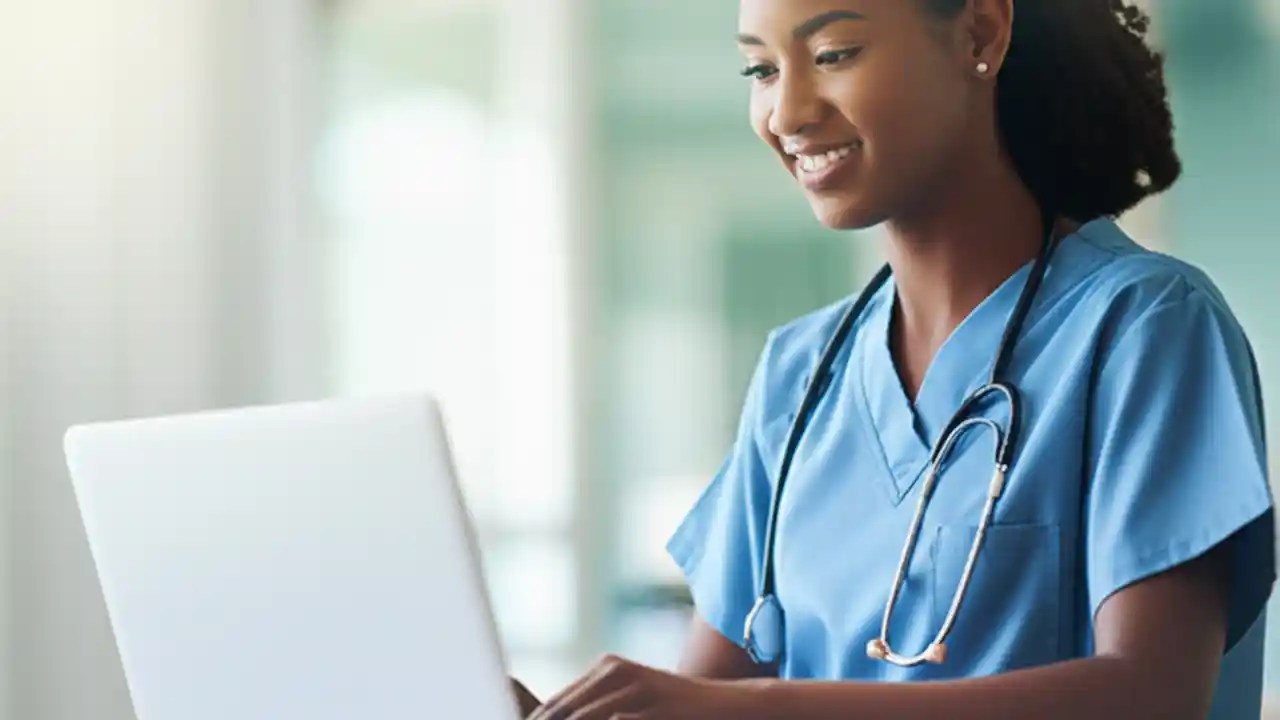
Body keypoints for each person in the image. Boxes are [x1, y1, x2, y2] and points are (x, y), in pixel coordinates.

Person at [516, 0, 1275, 717]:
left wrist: (762, 708)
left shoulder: (1145, 326)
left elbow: (1152, 694)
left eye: (833, 54)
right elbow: (705, 698)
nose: (788, 113)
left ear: (980, 34)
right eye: (762, 70)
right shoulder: (800, 374)